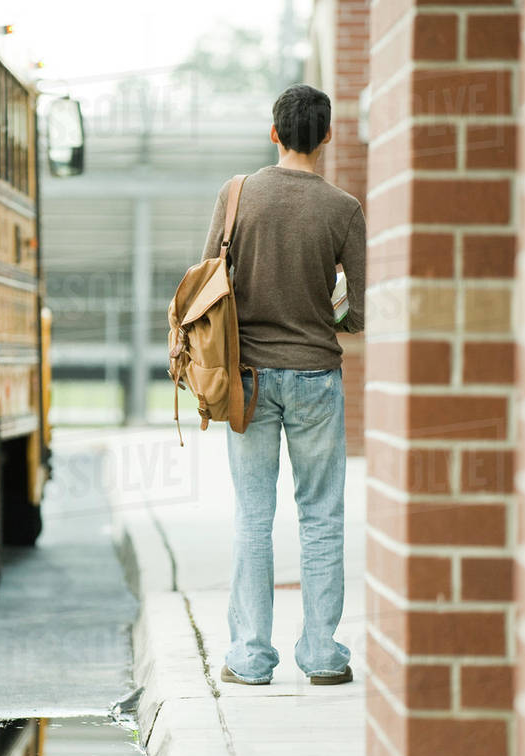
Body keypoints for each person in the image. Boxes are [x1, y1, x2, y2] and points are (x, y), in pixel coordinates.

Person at [201, 84, 365, 686]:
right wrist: (330, 307)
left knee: (253, 516)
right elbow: (359, 314)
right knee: (321, 516)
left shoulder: (237, 195)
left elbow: (208, 289)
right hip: (318, 378)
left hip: (247, 382)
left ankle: (250, 656)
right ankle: (322, 655)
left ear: (274, 134)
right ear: (326, 137)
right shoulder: (344, 209)